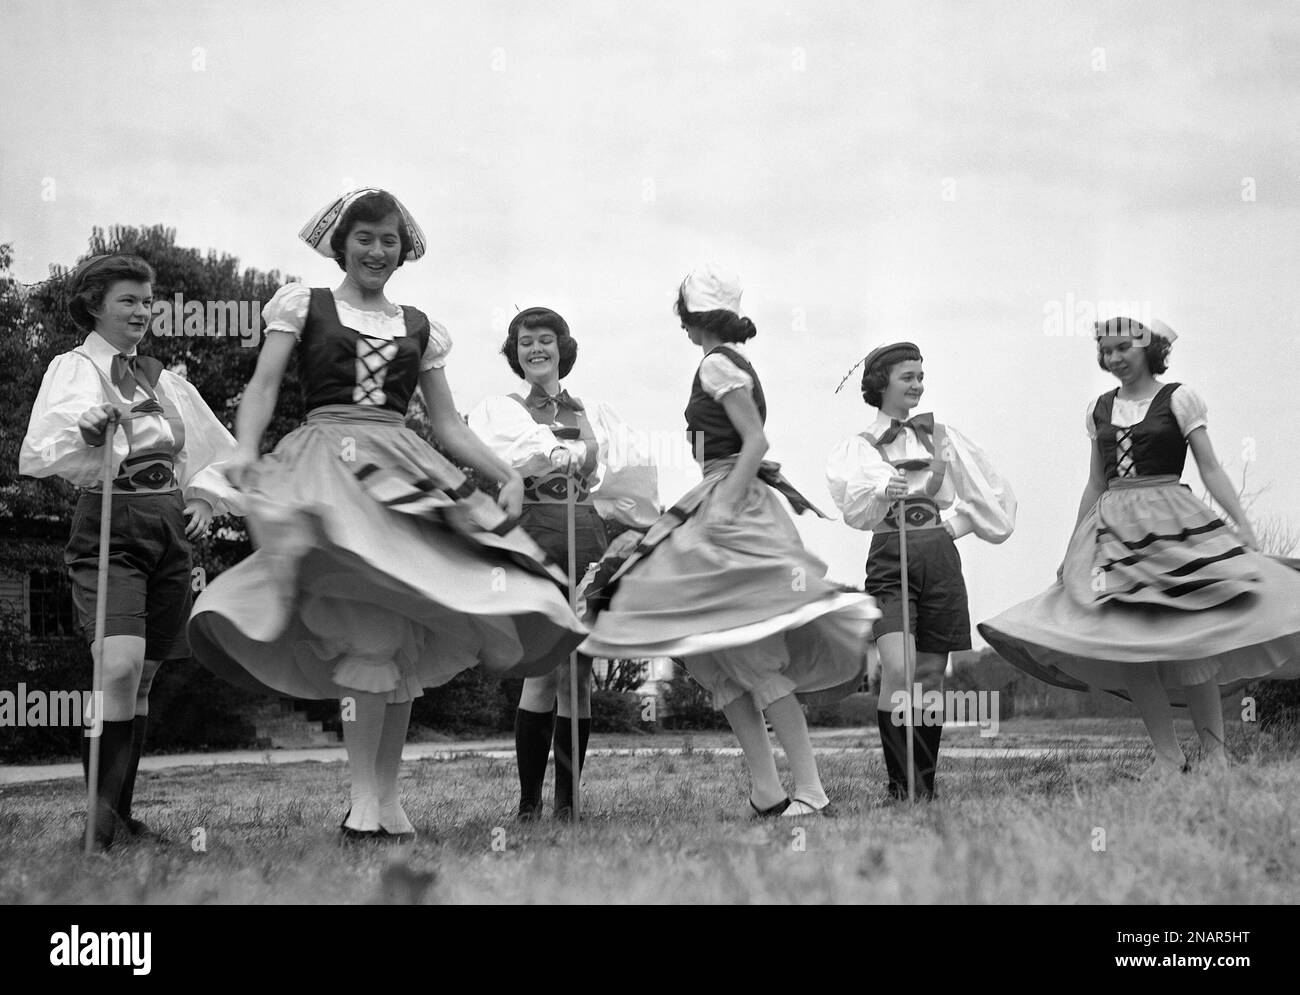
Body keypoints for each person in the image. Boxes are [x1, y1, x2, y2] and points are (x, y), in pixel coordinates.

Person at [188, 189, 585, 841]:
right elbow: (262, 387)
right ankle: (362, 800)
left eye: (389, 239)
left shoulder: (420, 327)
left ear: (404, 252)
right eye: (365, 236)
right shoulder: (303, 305)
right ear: (342, 242)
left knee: (399, 638)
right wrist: (243, 452)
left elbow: (448, 424)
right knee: (366, 635)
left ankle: (388, 800)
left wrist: (506, 470)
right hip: (327, 464)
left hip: (402, 467)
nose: (376, 249)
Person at [581, 265, 878, 817]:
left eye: (686, 319)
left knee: (753, 651)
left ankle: (811, 789)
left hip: (732, 501)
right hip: (722, 494)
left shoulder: (717, 363)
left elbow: (755, 441)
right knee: (715, 651)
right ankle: (767, 790)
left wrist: (720, 508)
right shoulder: (727, 362)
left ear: (694, 318)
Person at [978, 317, 1300, 777]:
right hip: (1113, 535)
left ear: (1149, 347)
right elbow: (1095, 483)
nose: (1114, 359)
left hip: (1174, 525)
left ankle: (1216, 757)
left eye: (1123, 347)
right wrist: (1073, 549)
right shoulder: (1098, 409)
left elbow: (1209, 467)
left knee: (1193, 640)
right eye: (1106, 351)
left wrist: (1242, 524)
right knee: (1125, 642)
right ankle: (1168, 757)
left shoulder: (1180, 399)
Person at [20, 253, 242, 849]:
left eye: (148, 301)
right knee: (114, 664)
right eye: (129, 300)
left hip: (169, 528)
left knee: (141, 679)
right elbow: (46, 443)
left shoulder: (164, 380)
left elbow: (216, 450)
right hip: (110, 523)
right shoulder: (74, 369)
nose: (143, 311)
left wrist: (202, 500)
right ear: (95, 304)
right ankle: (98, 824)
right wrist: (89, 426)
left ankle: (122, 820)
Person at [468, 307, 658, 820]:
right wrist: (553, 451)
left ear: (562, 348)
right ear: (515, 351)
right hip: (534, 534)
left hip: (585, 533)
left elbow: (629, 482)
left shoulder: (595, 411)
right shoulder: (502, 409)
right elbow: (501, 451)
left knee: (578, 670)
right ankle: (529, 803)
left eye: (545, 340)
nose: (536, 348)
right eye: (525, 340)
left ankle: (568, 803)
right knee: (542, 667)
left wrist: (637, 524)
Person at [826, 342, 1015, 800]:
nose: (917, 384)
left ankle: (923, 788)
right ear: (881, 383)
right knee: (898, 666)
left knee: (930, 674)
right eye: (907, 376)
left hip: (939, 555)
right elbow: (855, 512)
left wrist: (956, 526)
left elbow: (994, 493)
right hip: (890, 555)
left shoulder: (942, 436)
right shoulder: (859, 447)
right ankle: (900, 785)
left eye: (920, 375)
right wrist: (881, 493)